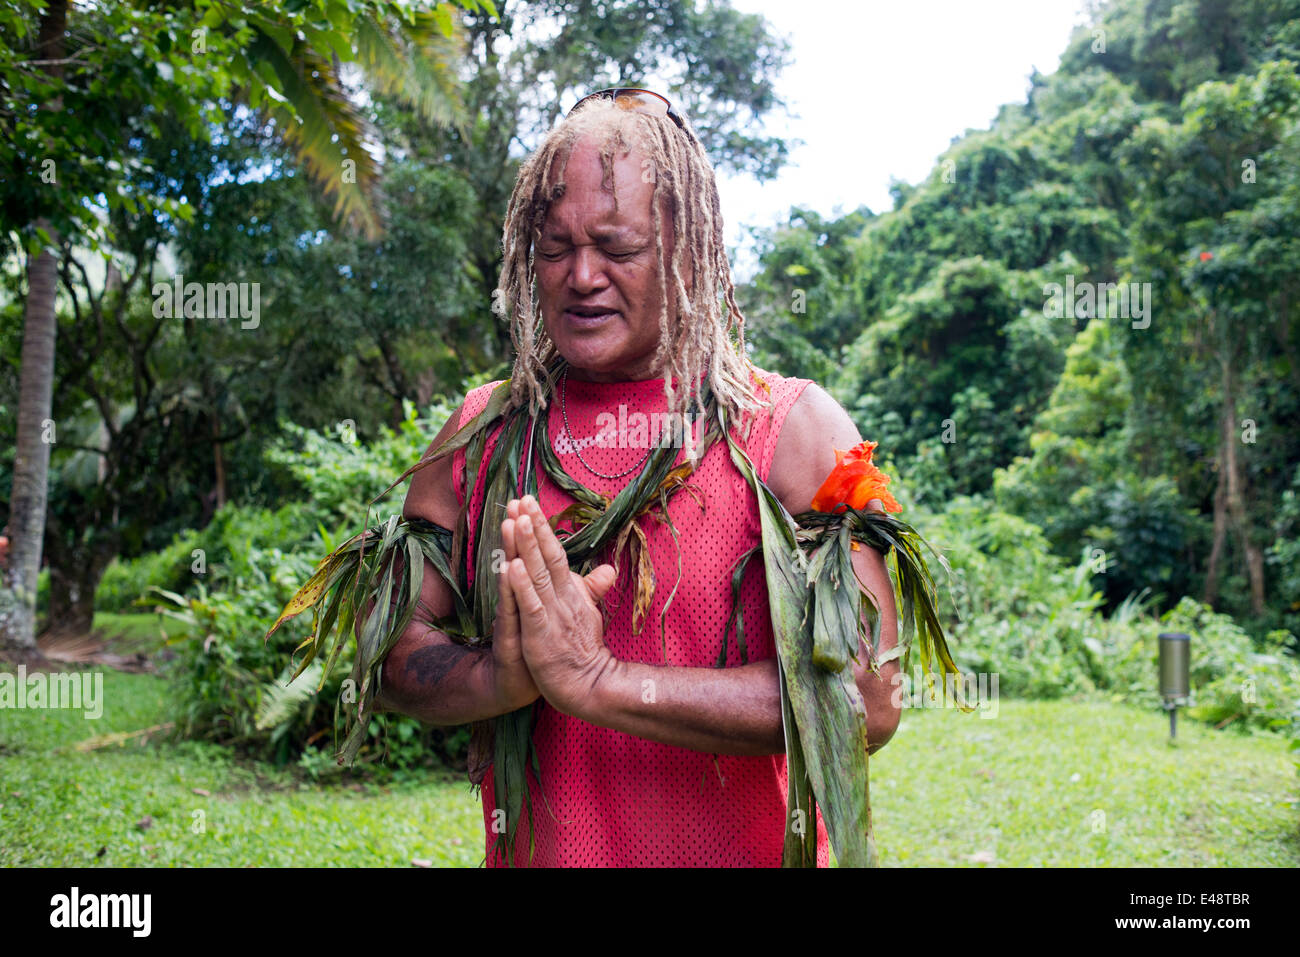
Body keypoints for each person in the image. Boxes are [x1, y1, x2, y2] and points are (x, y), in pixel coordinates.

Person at [376, 89, 901, 867]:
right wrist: (501, 674)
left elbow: (867, 698)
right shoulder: (484, 433)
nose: (581, 276)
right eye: (555, 248)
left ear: (688, 250)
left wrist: (600, 681)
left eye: (617, 248)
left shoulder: (791, 430)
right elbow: (389, 654)